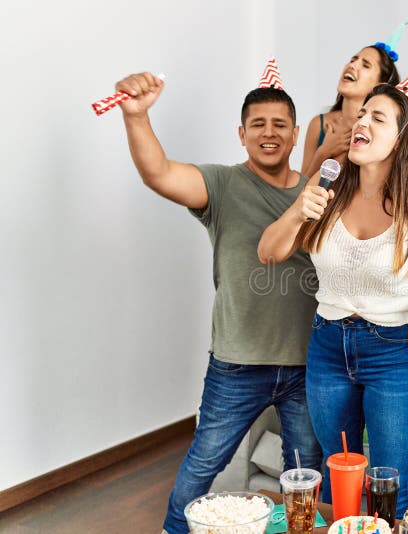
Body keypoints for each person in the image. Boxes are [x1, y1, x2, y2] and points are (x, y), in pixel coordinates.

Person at [111, 70, 322, 534]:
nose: (269, 133)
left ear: (294, 134)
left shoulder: (317, 192)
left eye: (280, 124)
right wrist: (136, 115)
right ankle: (174, 529)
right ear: (241, 133)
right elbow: (159, 173)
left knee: (305, 472)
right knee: (205, 460)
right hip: (237, 363)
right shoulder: (222, 184)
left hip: (309, 364)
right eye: (258, 124)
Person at [258, 76, 408, 514]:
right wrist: (297, 211)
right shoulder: (327, 188)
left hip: (393, 351)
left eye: (377, 117)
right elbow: (269, 250)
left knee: (390, 487)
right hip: (327, 345)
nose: (362, 120)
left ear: (402, 138)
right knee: (339, 483)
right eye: (362, 113)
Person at [300, 45, 400, 177]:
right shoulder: (319, 124)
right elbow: (302, 191)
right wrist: (323, 152)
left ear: (380, 85)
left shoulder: (379, 134)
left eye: (366, 65)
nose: (352, 65)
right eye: (353, 59)